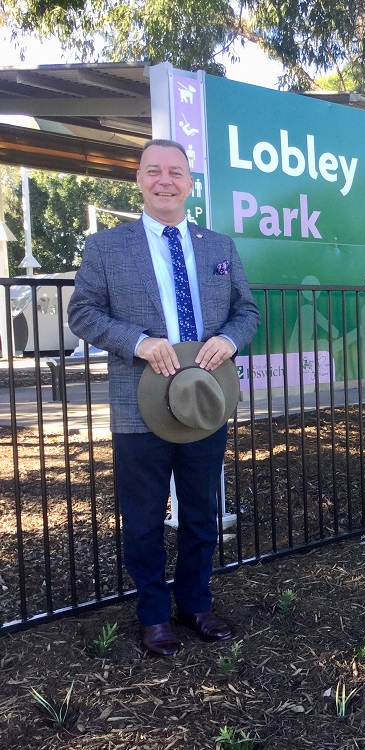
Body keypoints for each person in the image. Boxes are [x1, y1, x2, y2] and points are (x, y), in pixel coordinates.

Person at [68, 138, 260, 657]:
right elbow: (82, 313)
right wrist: (139, 341)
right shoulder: (106, 247)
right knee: (144, 517)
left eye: (175, 172)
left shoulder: (219, 247)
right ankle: (153, 614)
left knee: (200, 512)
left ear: (190, 183)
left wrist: (229, 339)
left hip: (204, 399)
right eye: (153, 170)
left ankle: (194, 604)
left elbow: (247, 311)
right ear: (138, 179)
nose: (164, 180)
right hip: (139, 402)